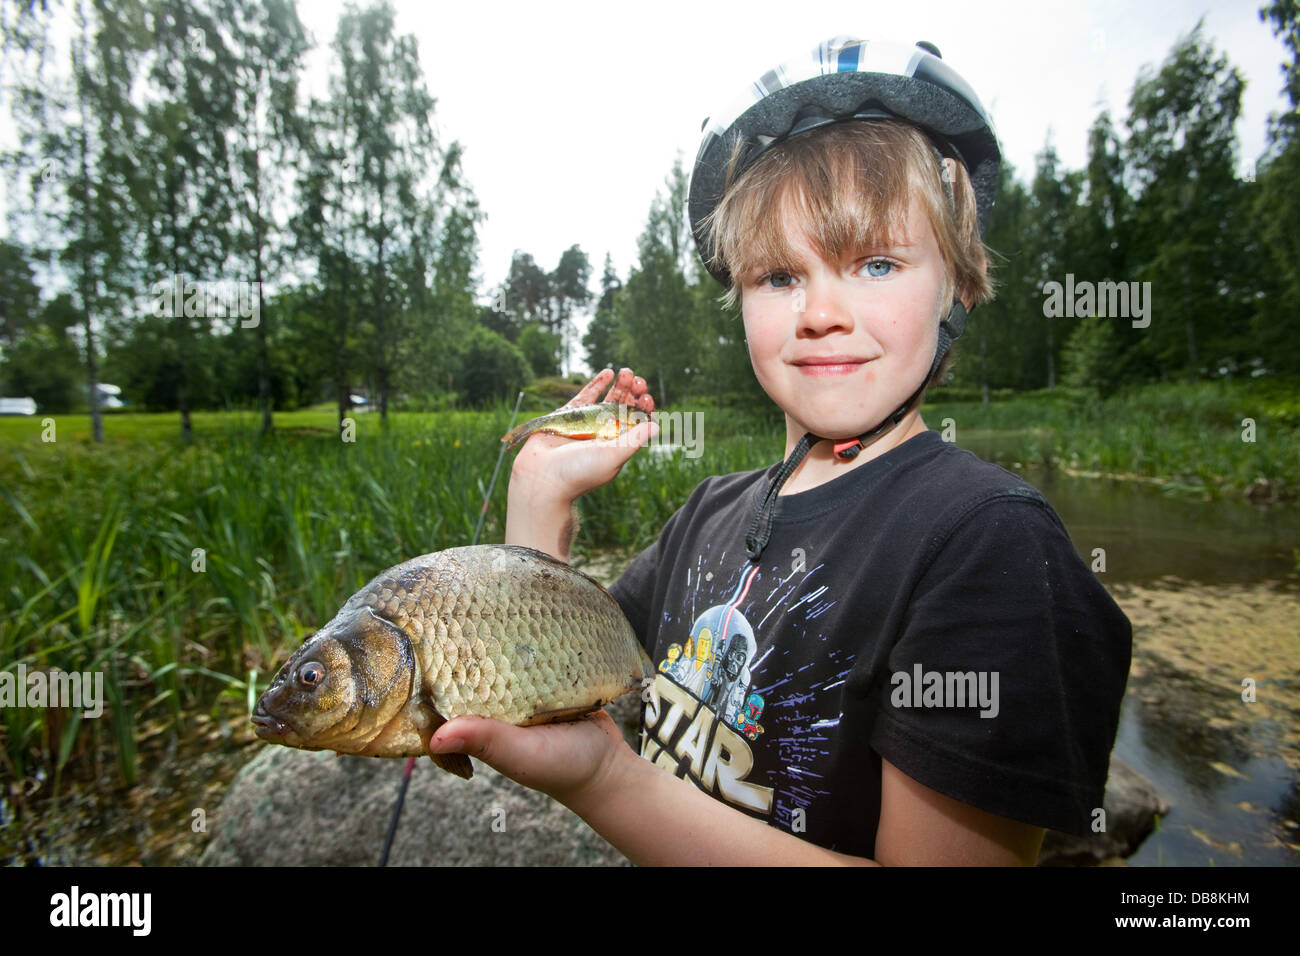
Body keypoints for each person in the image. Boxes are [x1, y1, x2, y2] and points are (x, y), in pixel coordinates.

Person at [429, 36, 1132, 865]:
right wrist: (539, 494)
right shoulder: (706, 514)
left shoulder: (990, 545)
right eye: (779, 277)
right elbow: (548, 684)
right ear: (741, 298)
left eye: (875, 262)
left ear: (958, 285)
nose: (821, 311)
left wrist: (608, 782)